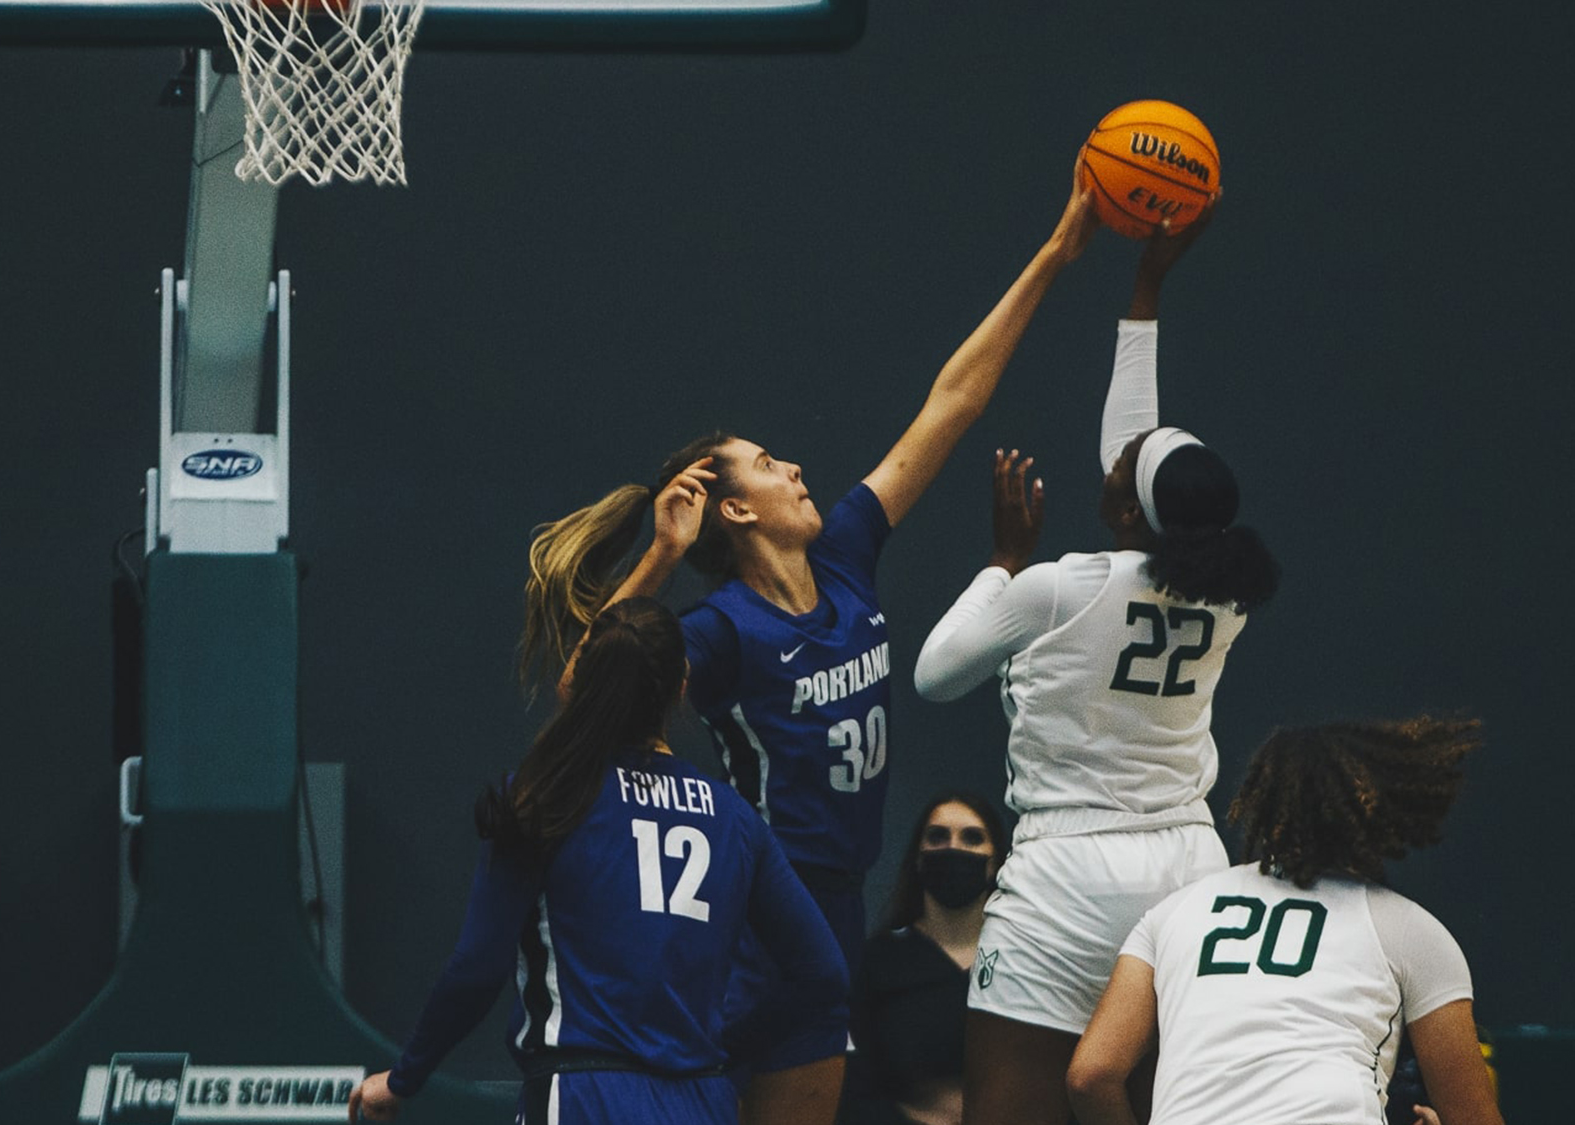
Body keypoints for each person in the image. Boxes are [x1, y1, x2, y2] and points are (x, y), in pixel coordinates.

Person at [519, 187, 1098, 1121]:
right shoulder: (720, 629)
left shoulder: (845, 554)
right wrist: (663, 553)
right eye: (767, 463)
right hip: (742, 909)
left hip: (829, 906)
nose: (795, 467)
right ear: (736, 510)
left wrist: (1056, 253)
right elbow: (585, 685)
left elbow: (950, 404)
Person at [910, 209, 1281, 1125]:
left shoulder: (1058, 586)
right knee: (1162, 1105)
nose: (1113, 462)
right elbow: (1137, 450)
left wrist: (1002, 560)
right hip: (1190, 865)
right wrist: (1145, 292)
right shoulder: (1223, 589)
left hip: (1069, 870)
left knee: (1011, 1108)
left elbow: (935, 673)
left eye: (1124, 470)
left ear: (1127, 514)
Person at [350, 598, 848, 1125]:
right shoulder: (735, 819)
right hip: (701, 1101)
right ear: (682, 684)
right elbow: (824, 974)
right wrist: (719, 1045)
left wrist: (405, 1076)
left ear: (580, 681)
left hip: (585, 1093)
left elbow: (477, 967)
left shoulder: (544, 799)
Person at [1066, 717, 1504, 1125]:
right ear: (1377, 813)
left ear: (1264, 804)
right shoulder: (1412, 929)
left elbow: (1091, 1075)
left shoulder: (1173, 911)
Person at [844, 792, 1008, 1125]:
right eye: (938, 836)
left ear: (994, 862)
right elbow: (851, 1086)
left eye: (972, 838)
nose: (953, 848)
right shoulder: (877, 962)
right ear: (919, 858)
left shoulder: (1024, 963)